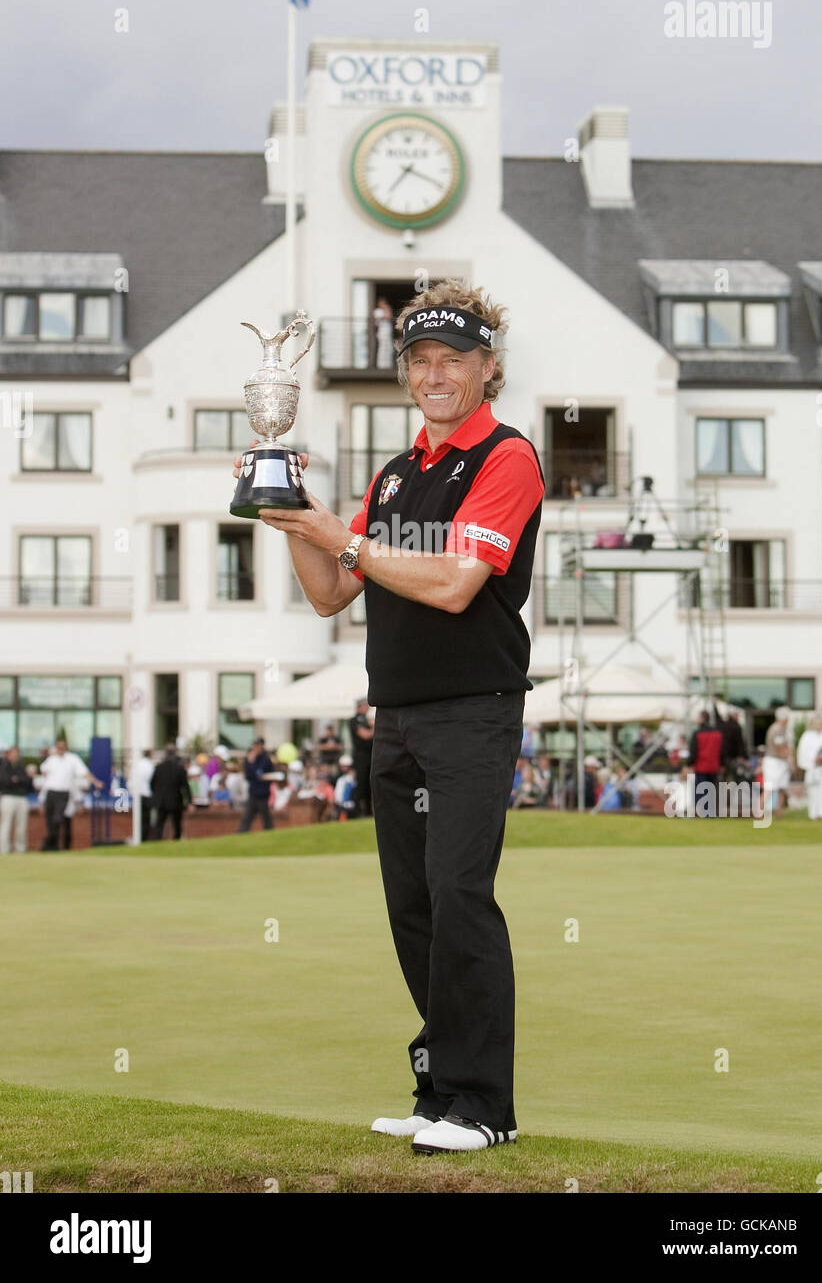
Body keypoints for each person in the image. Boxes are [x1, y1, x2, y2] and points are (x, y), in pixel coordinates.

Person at [238, 279, 544, 1154]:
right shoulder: (397, 471)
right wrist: (291, 513)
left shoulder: (505, 458)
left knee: (459, 896)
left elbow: (453, 586)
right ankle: (439, 1090)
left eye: (454, 360)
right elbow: (334, 592)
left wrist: (338, 532)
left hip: (473, 712)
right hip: (397, 716)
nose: (435, 375)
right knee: (413, 906)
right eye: (420, 361)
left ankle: (485, 1108)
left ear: (488, 369)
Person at [39, 738, 104, 850]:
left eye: (62, 747)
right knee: (50, 822)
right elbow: (44, 771)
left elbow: (84, 772)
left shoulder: (72, 759)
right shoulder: (51, 759)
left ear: (66, 747)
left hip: (63, 794)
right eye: (59, 747)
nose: (60, 749)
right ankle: (52, 847)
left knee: (57, 820)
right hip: (51, 793)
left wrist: (95, 782)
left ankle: (48, 846)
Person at [796, 714, 822, 820]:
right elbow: (803, 752)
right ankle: (813, 813)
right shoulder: (807, 736)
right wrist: (815, 758)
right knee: (813, 791)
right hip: (812, 768)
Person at [688, 709, 726, 818]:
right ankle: (711, 812)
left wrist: (689, 763)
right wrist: (722, 764)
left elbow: (693, 751)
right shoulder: (717, 733)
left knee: (701, 790)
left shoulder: (698, 733)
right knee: (712, 790)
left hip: (701, 766)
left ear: (702, 718)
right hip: (714, 766)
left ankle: (702, 812)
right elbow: (722, 751)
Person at [150, 745, 193, 840]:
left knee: (159, 825)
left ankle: (157, 841)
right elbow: (185, 787)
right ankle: (176, 840)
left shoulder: (158, 768)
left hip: (161, 801)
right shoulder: (180, 769)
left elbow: (152, 784)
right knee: (176, 825)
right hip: (175, 801)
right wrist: (189, 801)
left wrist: (156, 796)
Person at [762, 706, 794, 818]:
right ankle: (759, 811)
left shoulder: (783, 729)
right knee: (770, 787)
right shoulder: (776, 729)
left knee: (781, 787)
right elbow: (780, 747)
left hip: (780, 762)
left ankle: (779, 813)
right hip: (773, 761)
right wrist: (788, 758)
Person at [0, 745, 32, 854]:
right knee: (6, 824)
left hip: (22, 798)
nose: (15, 756)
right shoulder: (3, 766)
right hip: (8, 797)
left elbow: (27, 781)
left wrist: (16, 779)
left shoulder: (21, 767)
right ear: (8, 755)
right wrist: (18, 780)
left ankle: (20, 849)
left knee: (21, 826)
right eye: (13, 754)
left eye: (16, 754)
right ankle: (4, 849)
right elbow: (4, 781)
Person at [239, 739, 275, 832]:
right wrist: (250, 762)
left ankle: (270, 832)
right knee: (247, 817)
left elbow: (259, 774)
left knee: (266, 817)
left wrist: (252, 763)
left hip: (262, 794)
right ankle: (241, 833)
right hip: (253, 793)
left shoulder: (265, 759)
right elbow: (248, 776)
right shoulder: (250, 758)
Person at [350, 700, 374, 818]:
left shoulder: (365, 719)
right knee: (361, 784)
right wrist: (375, 727)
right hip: (361, 757)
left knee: (369, 784)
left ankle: (368, 811)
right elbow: (365, 735)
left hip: (369, 756)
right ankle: (359, 811)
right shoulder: (356, 719)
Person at [131, 749, 155, 842]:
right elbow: (151, 779)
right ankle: (143, 838)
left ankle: (140, 837)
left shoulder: (137, 764)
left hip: (137, 795)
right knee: (146, 819)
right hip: (146, 794)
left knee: (139, 819)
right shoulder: (149, 765)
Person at [373, 296, 395, 370]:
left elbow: (390, 315)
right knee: (382, 349)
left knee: (388, 348)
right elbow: (387, 316)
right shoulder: (377, 311)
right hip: (381, 332)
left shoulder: (384, 310)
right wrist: (386, 308)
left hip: (387, 332)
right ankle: (381, 365)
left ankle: (387, 365)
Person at [334, 755, 357, 820]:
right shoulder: (340, 779)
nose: (343, 768)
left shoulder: (351, 778)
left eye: (345, 766)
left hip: (349, 806)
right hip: (340, 805)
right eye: (342, 766)